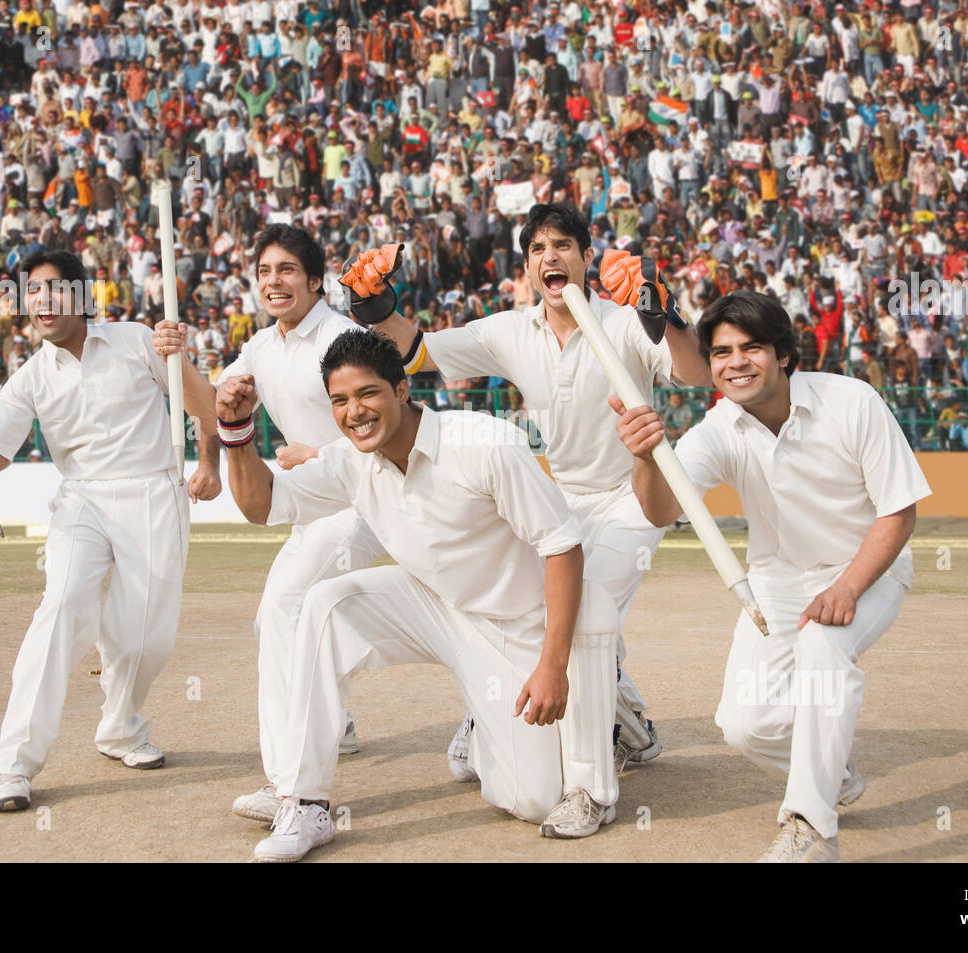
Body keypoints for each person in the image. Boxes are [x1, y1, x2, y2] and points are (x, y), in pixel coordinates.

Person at [217, 329, 619, 861]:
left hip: (521, 625)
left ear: (402, 391)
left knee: (530, 799)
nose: (353, 411)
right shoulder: (349, 459)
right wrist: (236, 432)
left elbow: (563, 548)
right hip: (436, 607)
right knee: (321, 604)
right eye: (339, 401)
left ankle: (603, 709)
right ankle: (305, 802)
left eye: (367, 394)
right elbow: (261, 506)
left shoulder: (484, 443)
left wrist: (551, 665)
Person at [347, 203, 714, 776]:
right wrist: (375, 306)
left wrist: (663, 311)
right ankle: (630, 726)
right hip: (560, 495)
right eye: (538, 249)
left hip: (632, 495)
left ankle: (585, 769)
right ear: (527, 266)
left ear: (587, 258)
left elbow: (698, 374)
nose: (551, 256)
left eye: (563, 245)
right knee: (537, 606)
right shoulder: (509, 330)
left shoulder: (624, 320)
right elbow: (417, 353)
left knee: (588, 613)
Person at [0, 250, 219, 814]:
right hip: (81, 501)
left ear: (83, 296)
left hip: (153, 492)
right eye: (32, 293)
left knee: (145, 636)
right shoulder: (31, 377)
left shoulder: (139, 339)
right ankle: (12, 764)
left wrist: (181, 364)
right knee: (61, 608)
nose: (42, 301)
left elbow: (204, 405)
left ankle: (120, 729)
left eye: (54, 289)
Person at [612, 291, 931, 862]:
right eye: (721, 352)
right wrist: (644, 456)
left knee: (824, 646)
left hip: (867, 570)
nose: (736, 362)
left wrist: (849, 586)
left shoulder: (852, 401)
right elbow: (662, 510)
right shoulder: (719, 428)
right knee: (744, 726)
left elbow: (899, 512)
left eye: (751, 347)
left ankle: (811, 829)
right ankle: (833, 777)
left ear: (783, 354)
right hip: (779, 584)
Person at [153, 224, 383, 827]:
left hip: (366, 502)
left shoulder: (344, 335)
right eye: (263, 272)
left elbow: (383, 422)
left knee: (284, 607)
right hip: (314, 507)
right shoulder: (259, 348)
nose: (273, 282)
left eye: (286, 270)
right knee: (275, 620)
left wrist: (317, 453)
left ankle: (291, 785)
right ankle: (333, 723)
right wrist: (178, 361)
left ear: (314, 281)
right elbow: (217, 407)